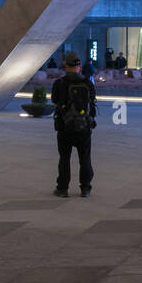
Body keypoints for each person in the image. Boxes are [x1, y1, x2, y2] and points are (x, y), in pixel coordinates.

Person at [50, 52, 96, 198]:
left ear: (65, 65)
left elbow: (54, 100)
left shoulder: (59, 83)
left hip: (64, 126)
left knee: (64, 158)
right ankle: (86, 188)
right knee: (85, 158)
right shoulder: (88, 83)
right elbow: (93, 102)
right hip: (84, 126)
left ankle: (62, 188)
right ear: (79, 66)